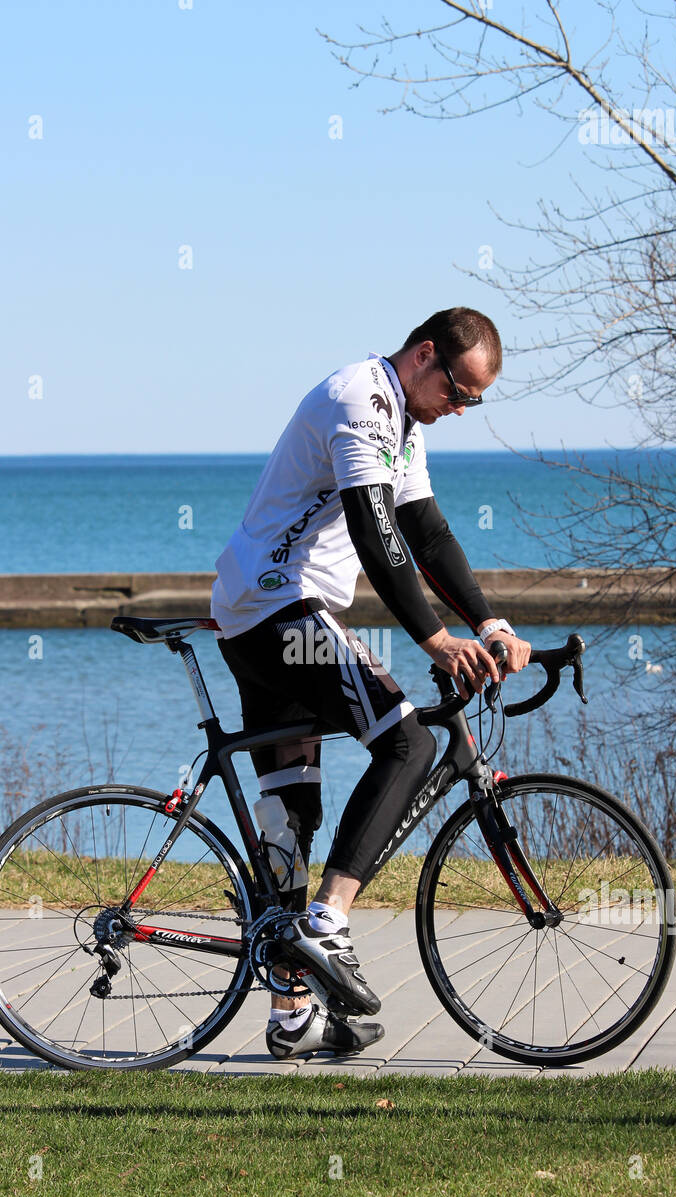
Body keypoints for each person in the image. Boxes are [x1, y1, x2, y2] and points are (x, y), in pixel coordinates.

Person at [211, 306, 531, 1060]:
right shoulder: (364, 398)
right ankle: (329, 920)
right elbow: (372, 527)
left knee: (291, 807)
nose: (460, 410)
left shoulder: (405, 424)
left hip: (266, 610)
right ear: (424, 355)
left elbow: (426, 531)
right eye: (459, 392)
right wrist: (435, 638)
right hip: (278, 609)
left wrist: (489, 624)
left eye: (473, 402)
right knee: (408, 741)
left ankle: (292, 1014)